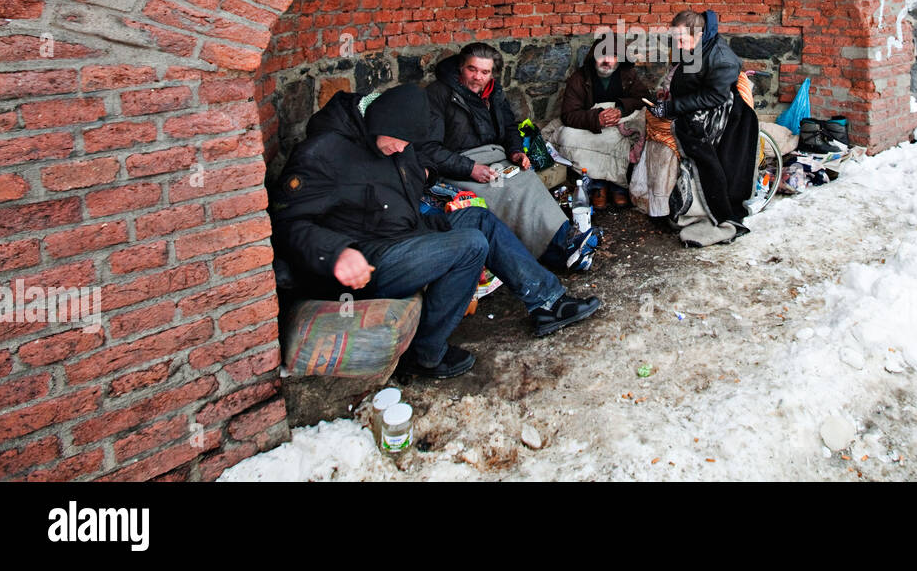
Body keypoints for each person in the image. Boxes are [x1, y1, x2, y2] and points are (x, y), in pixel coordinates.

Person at [269, 83, 602, 379]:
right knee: (469, 245)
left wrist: (430, 185)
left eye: (406, 144)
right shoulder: (323, 153)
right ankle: (425, 355)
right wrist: (338, 252)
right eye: (398, 141)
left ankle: (546, 302)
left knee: (477, 218)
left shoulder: (392, 141)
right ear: (379, 123)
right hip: (368, 259)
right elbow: (288, 224)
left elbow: (402, 183)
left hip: (407, 234)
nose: (402, 149)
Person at [419, 43, 600, 271]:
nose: (478, 78)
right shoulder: (439, 93)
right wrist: (470, 168)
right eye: (472, 70)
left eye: (485, 72)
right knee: (508, 190)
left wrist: (516, 152)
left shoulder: (493, 91)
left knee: (528, 179)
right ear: (460, 68)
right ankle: (559, 251)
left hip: (496, 159)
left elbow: (509, 126)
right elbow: (429, 148)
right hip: (460, 166)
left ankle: (566, 241)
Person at [648, 10, 759, 243]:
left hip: (724, 111)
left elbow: (713, 97)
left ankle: (716, 211)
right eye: (675, 38)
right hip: (700, 102)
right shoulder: (696, 48)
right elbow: (689, 83)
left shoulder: (721, 58)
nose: (678, 44)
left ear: (698, 34)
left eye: (681, 39)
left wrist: (671, 109)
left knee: (695, 142)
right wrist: (667, 98)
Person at [556, 32, 653, 208]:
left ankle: (617, 185)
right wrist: (597, 118)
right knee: (566, 137)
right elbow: (568, 114)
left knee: (635, 131)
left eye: (613, 56)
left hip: (618, 129)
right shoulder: (579, 78)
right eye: (602, 55)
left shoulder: (627, 75)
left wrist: (620, 109)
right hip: (593, 129)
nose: (607, 61)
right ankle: (598, 184)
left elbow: (643, 99)